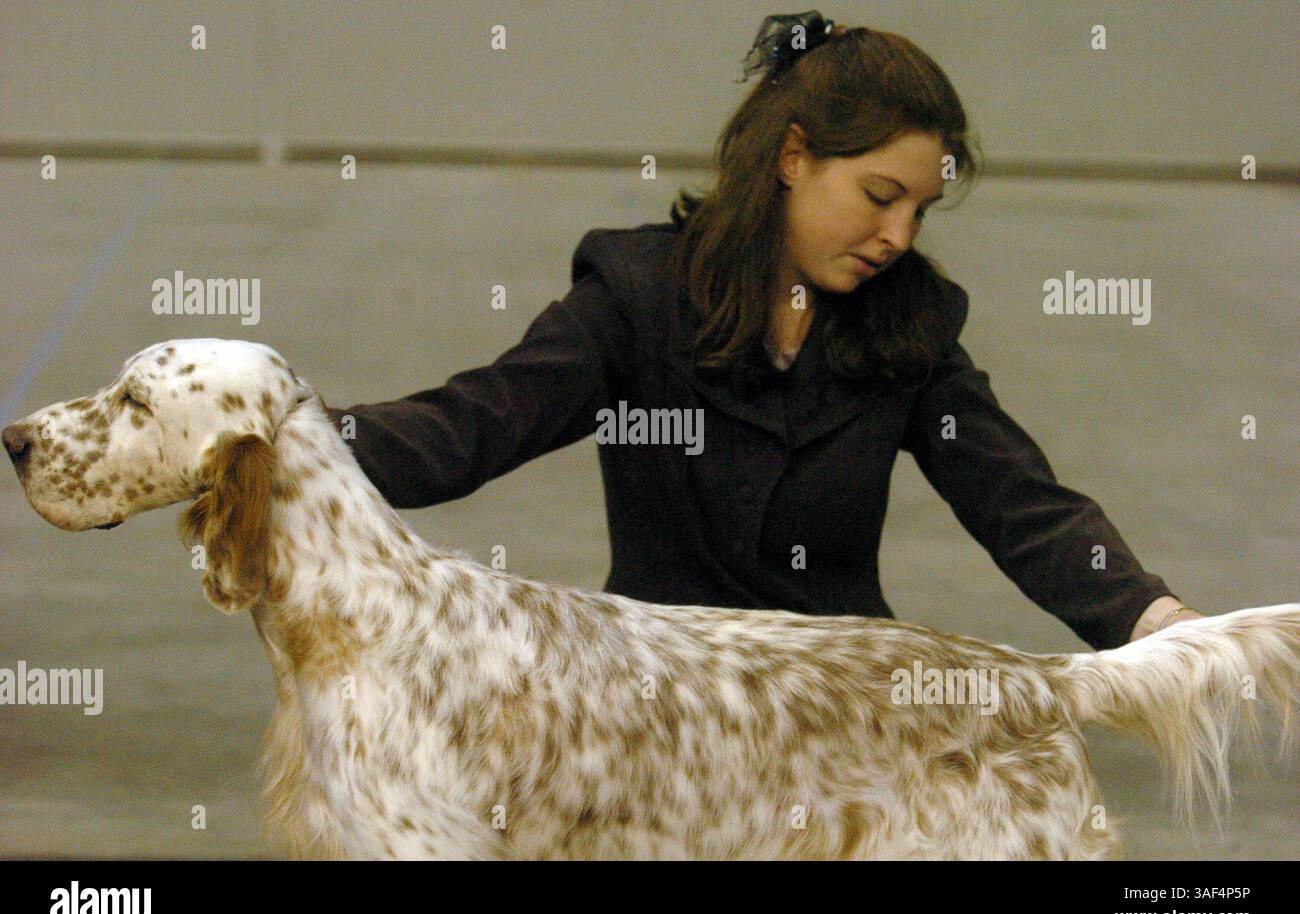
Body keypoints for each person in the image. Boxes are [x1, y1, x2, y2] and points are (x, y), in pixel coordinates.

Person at [326, 13, 1202, 651]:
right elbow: (473, 424)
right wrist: (285, 436)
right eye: (879, 196)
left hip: (839, 709)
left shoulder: (914, 324)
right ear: (793, 158)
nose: (899, 236)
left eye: (921, 210)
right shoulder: (638, 296)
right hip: (659, 705)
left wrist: (1155, 621)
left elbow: (1019, 501)